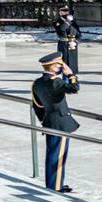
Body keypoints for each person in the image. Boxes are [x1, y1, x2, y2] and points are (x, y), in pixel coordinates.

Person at [32, 52, 79, 192]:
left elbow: (37, 106)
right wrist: (71, 74)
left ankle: (54, 183)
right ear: (52, 67)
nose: (60, 66)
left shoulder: (37, 83)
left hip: (49, 121)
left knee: (52, 154)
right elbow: (74, 88)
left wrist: (44, 120)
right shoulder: (56, 81)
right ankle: (55, 186)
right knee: (58, 156)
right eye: (58, 64)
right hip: (61, 122)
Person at [53, 5, 82, 74]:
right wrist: (67, 21)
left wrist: (76, 42)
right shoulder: (57, 22)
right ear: (60, 12)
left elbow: (79, 34)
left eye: (66, 11)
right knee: (65, 67)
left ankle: (72, 81)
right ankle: (65, 82)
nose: (65, 12)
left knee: (72, 67)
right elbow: (62, 29)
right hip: (63, 46)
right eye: (63, 11)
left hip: (72, 46)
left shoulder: (73, 22)